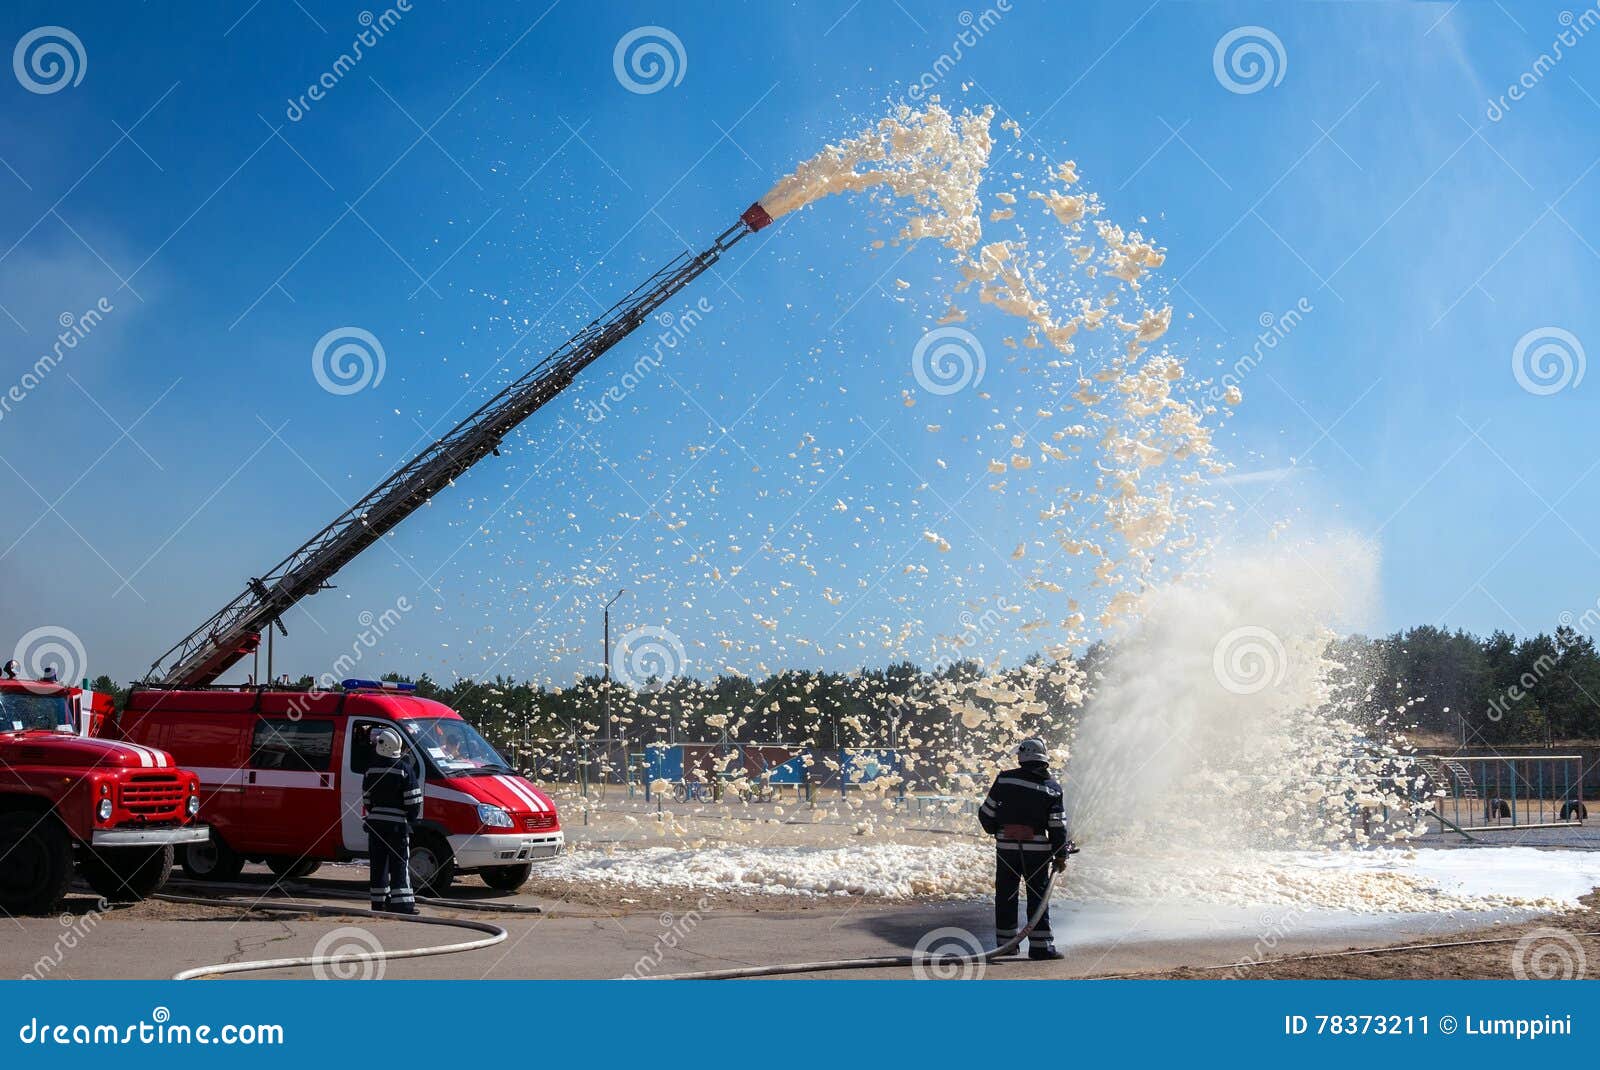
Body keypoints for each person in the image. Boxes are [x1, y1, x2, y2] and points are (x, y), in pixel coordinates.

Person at [978, 737, 1075, 960]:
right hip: (1038, 853)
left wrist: (997, 831)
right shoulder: (1052, 789)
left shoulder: (1004, 780)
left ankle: (1007, 945)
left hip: (1006, 850)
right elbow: (1057, 826)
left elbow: (986, 813)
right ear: (1043, 759)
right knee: (1038, 896)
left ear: (1022, 757)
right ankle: (1041, 948)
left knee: (1006, 895)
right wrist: (1060, 854)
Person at [362, 726, 423, 915]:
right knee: (399, 863)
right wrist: (411, 819)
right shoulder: (404, 770)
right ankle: (402, 904)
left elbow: (367, 799)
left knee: (378, 865)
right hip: (397, 827)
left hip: (376, 826)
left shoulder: (370, 770)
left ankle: (378, 903)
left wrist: (376, 813)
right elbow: (413, 801)